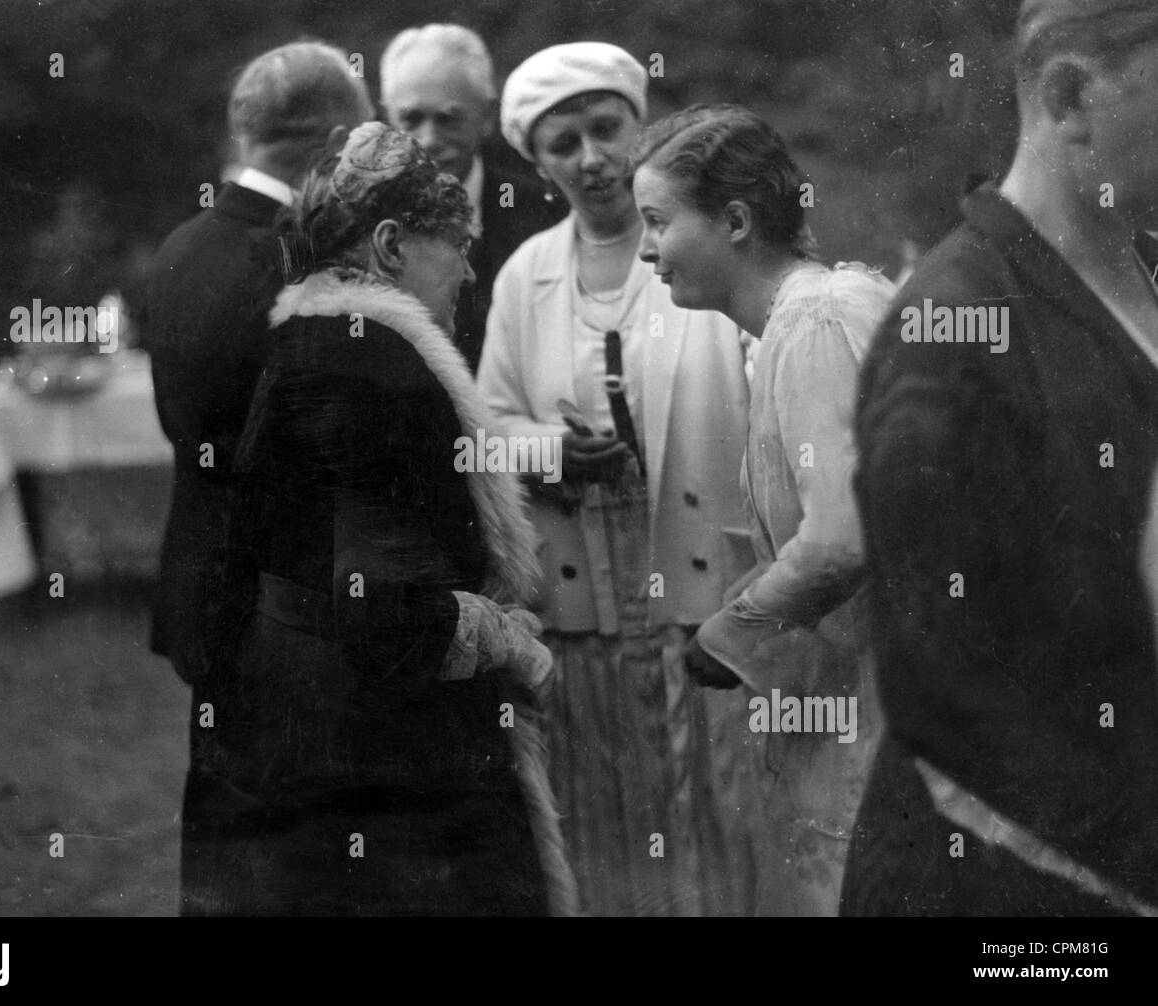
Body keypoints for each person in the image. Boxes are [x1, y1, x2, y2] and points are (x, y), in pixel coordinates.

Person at [188, 122, 574, 916]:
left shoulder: (312, 341)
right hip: (382, 757)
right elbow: (389, 613)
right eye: (456, 244)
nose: (469, 269)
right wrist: (510, 642)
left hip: (294, 726)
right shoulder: (374, 371)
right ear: (391, 245)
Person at [843, 0, 1158, 916]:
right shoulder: (953, 331)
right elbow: (951, 699)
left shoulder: (1141, 272)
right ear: (1069, 97)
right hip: (1008, 902)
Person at [479, 43, 755, 916]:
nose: (593, 159)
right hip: (584, 589)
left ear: (641, 125)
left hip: (702, 568)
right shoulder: (527, 277)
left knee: (716, 796)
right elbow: (483, 437)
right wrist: (549, 454)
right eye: (564, 143)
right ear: (536, 160)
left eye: (608, 129)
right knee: (607, 806)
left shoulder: (700, 251)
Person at [634, 104, 894, 915]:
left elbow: (841, 538)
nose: (644, 249)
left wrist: (730, 633)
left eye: (657, 222)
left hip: (880, 708)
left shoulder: (817, 322)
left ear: (737, 220)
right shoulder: (788, 328)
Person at [146, 41, 370, 689]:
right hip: (294, 604)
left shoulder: (179, 247)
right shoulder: (311, 258)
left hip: (202, 585)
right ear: (336, 141)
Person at [380, 23, 564, 370]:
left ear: (487, 117)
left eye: (448, 119)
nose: (428, 139)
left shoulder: (547, 214)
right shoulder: (363, 225)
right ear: (388, 115)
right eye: (411, 119)